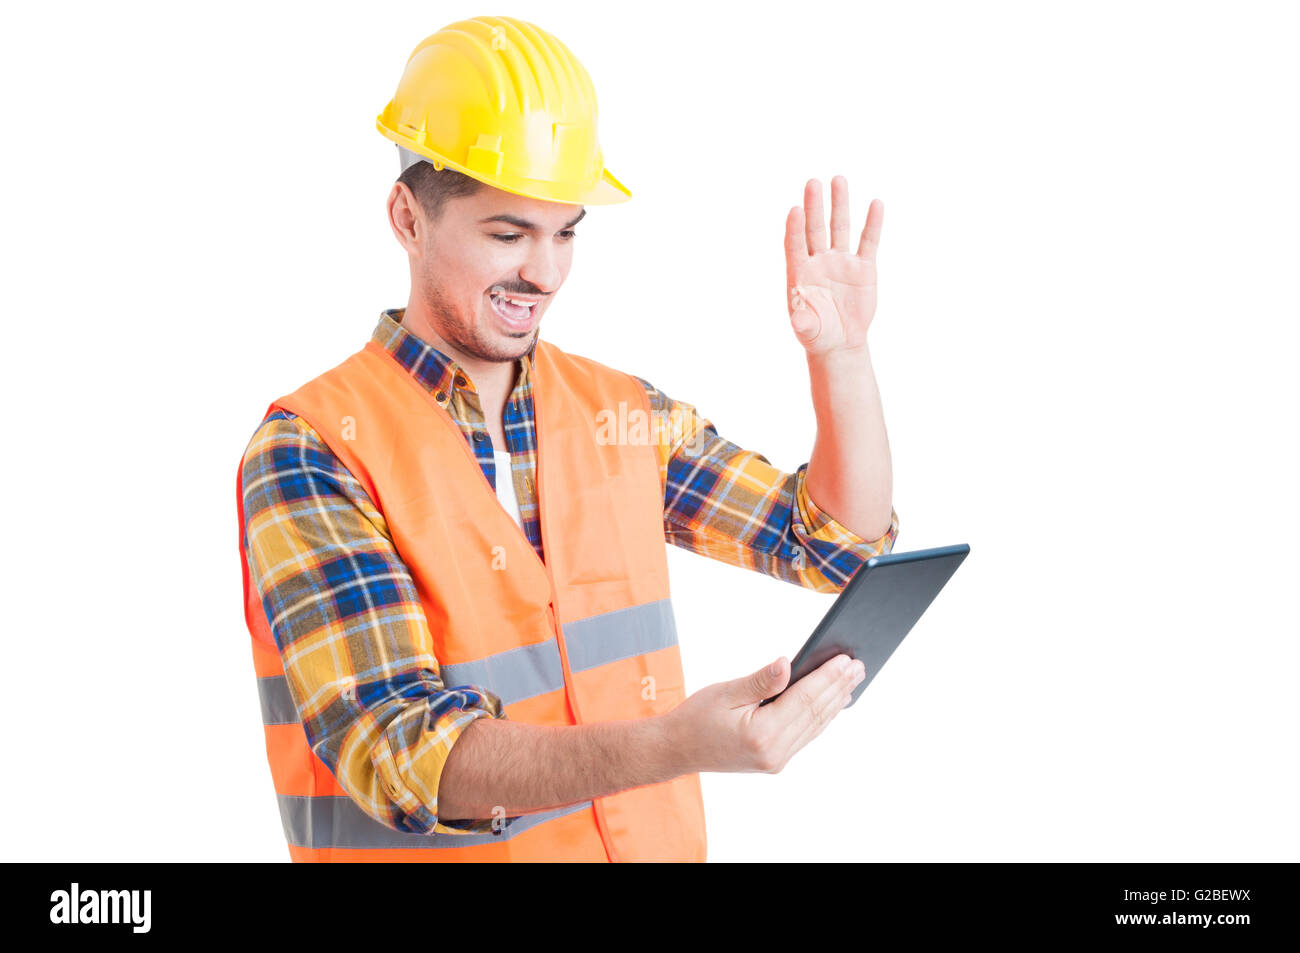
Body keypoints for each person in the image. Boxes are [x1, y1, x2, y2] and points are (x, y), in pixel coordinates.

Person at [235, 14, 898, 862]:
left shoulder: (619, 411)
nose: (543, 273)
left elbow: (834, 543)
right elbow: (405, 754)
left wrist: (842, 357)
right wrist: (680, 743)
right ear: (407, 216)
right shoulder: (314, 448)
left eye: (565, 232)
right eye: (507, 234)